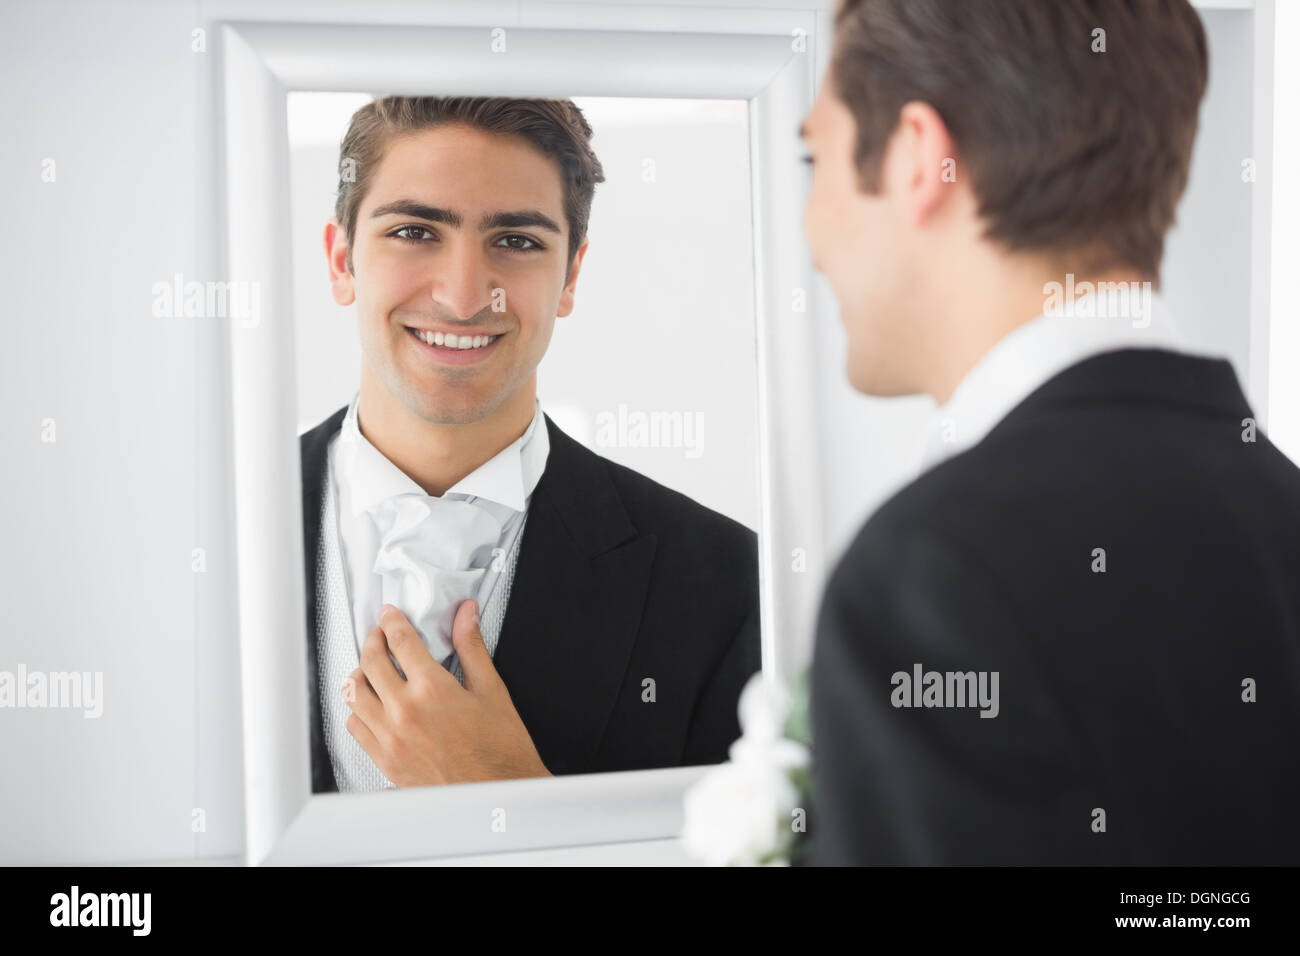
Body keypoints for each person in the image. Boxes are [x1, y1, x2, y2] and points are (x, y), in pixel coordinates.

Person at [800, 0, 1300, 864]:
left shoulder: (929, 576)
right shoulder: (1282, 511)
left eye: (817, 160)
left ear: (921, 158)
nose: (811, 235)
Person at [301, 96, 759, 792]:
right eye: (416, 231)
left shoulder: (727, 582)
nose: (462, 298)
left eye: (515, 241)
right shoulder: (197, 537)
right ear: (342, 259)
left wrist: (504, 791)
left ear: (570, 276)